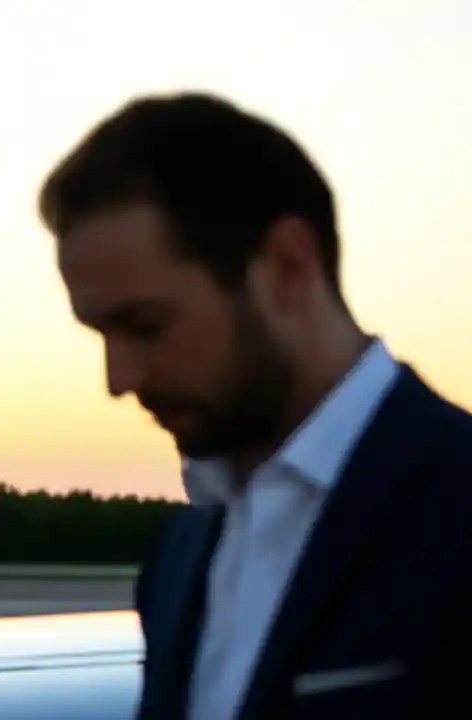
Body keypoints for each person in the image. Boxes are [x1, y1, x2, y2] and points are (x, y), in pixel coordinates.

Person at [37, 92, 471, 719]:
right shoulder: (179, 557)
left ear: (288, 268)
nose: (119, 378)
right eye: (100, 334)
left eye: (146, 325)